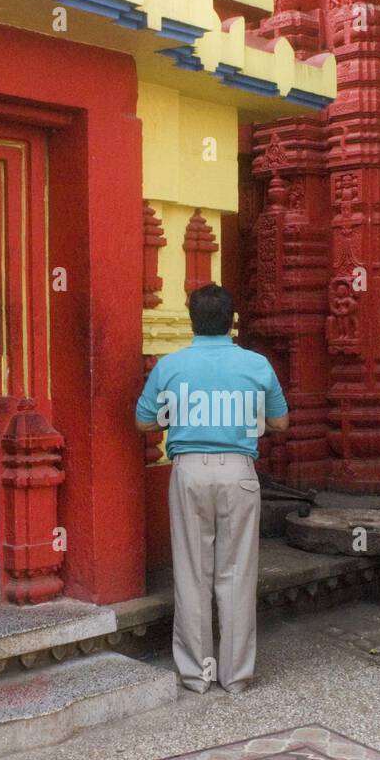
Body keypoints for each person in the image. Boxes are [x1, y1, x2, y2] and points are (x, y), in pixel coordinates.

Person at [134, 284, 288, 695]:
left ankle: (197, 674)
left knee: (191, 572)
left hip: (189, 473)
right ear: (232, 321)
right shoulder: (256, 365)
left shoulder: (170, 366)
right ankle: (236, 676)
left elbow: (145, 422)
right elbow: (280, 423)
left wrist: (179, 415)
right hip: (239, 472)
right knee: (237, 573)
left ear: (191, 320)